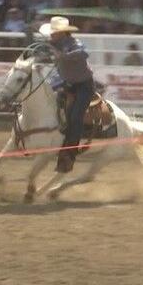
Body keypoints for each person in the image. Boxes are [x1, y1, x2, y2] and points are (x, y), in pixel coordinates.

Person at [39, 16, 94, 174]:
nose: (51, 35)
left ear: (62, 33)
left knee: (75, 117)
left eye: (54, 33)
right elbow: (42, 53)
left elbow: (83, 54)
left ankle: (70, 154)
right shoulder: (53, 45)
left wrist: (62, 56)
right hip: (66, 84)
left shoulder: (75, 44)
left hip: (84, 86)